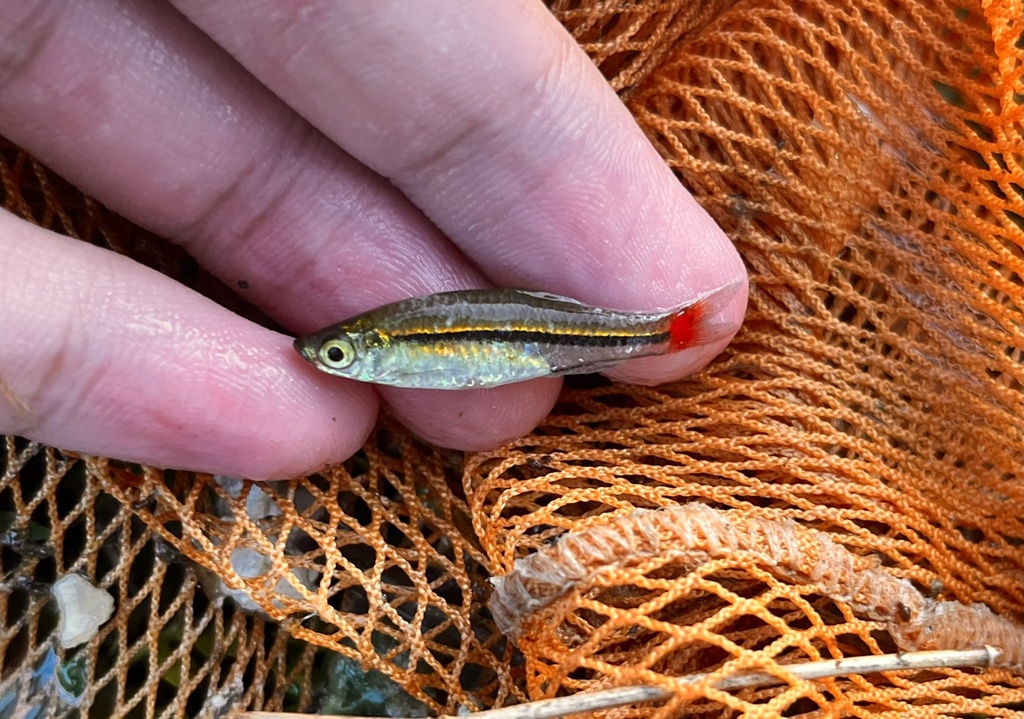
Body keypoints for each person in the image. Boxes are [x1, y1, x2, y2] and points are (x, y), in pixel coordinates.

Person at [0, 1, 747, 479]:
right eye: (335, 355)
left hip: (528, 337)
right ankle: (663, 331)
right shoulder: (394, 341)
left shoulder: (397, 342)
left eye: (339, 355)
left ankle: (666, 331)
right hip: (522, 337)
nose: (332, 363)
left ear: (377, 347)